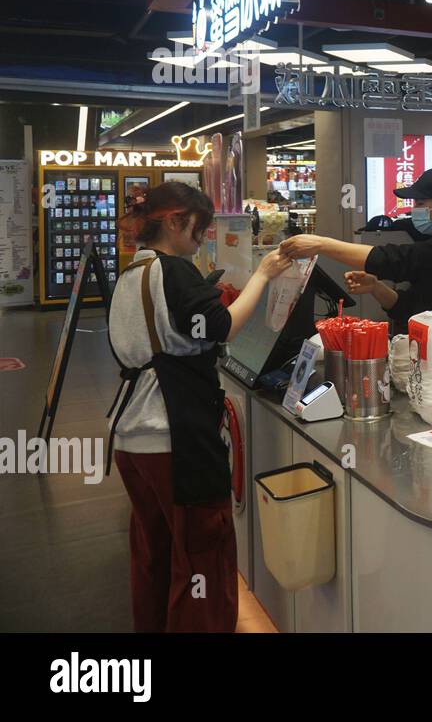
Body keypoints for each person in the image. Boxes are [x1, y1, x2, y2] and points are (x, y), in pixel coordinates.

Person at [107, 181, 292, 632]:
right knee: (202, 563)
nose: (203, 237)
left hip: (131, 435)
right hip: (176, 439)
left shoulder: (134, 273)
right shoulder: (173, 271)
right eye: (199, 227)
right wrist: (264, 274)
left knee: (154, 555)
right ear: (173, 221)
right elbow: (221, 327)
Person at [278, 168, 432, 400]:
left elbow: (393, 260)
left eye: (420, 203)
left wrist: (321, 245)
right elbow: (410, 306)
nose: (414, 210)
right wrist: (376, 288)